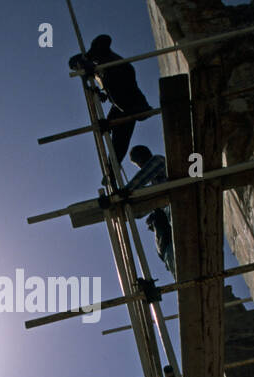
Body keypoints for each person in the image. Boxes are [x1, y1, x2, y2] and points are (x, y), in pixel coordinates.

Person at [69, 34, 153, 163]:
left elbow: (105, 39)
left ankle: (113, 166)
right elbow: (92, 82)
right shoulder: (94, 72)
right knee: (116, 141)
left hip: (131, 102)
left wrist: (89, 58)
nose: (78, 71)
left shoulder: (99, 57)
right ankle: (112, 170)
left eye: (77, 67)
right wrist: (100, 93)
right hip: (121, 106)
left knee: (120, 131)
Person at [123, 145, 176, 278]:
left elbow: (140, 180)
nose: (140, 166)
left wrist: (123, 193)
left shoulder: (158, 161)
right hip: (172, 215)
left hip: (178, 205)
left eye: (139, 163)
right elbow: (140, 212)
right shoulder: (155, 184)